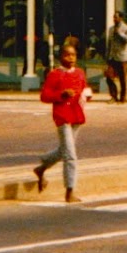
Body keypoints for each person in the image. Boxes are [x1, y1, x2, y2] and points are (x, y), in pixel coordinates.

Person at [32, 42, 88, 203]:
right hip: (62, 116)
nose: (71, 58)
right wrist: (61, 95)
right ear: (60, 57)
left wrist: (86, 95)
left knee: (64, 149)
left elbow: (84, 89)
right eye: (67, 55)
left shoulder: (79, 73)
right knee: (70, 155)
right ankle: (69, 190)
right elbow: (44, 96)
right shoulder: (55, 74)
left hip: (77, 115)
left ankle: (42, 167)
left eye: (74, 55)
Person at [104, 11, 127, 103]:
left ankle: (123, 98)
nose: (114, 19)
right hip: (112, 57)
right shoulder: (111, 29)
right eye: (113, 17)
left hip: (122, 58)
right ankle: (113, 96)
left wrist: (121, 34)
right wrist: (107, 56)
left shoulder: (126, 28)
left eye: (116, 17)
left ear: (121, 18)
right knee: (109, 77)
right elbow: (109, 43)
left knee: (122, 79)